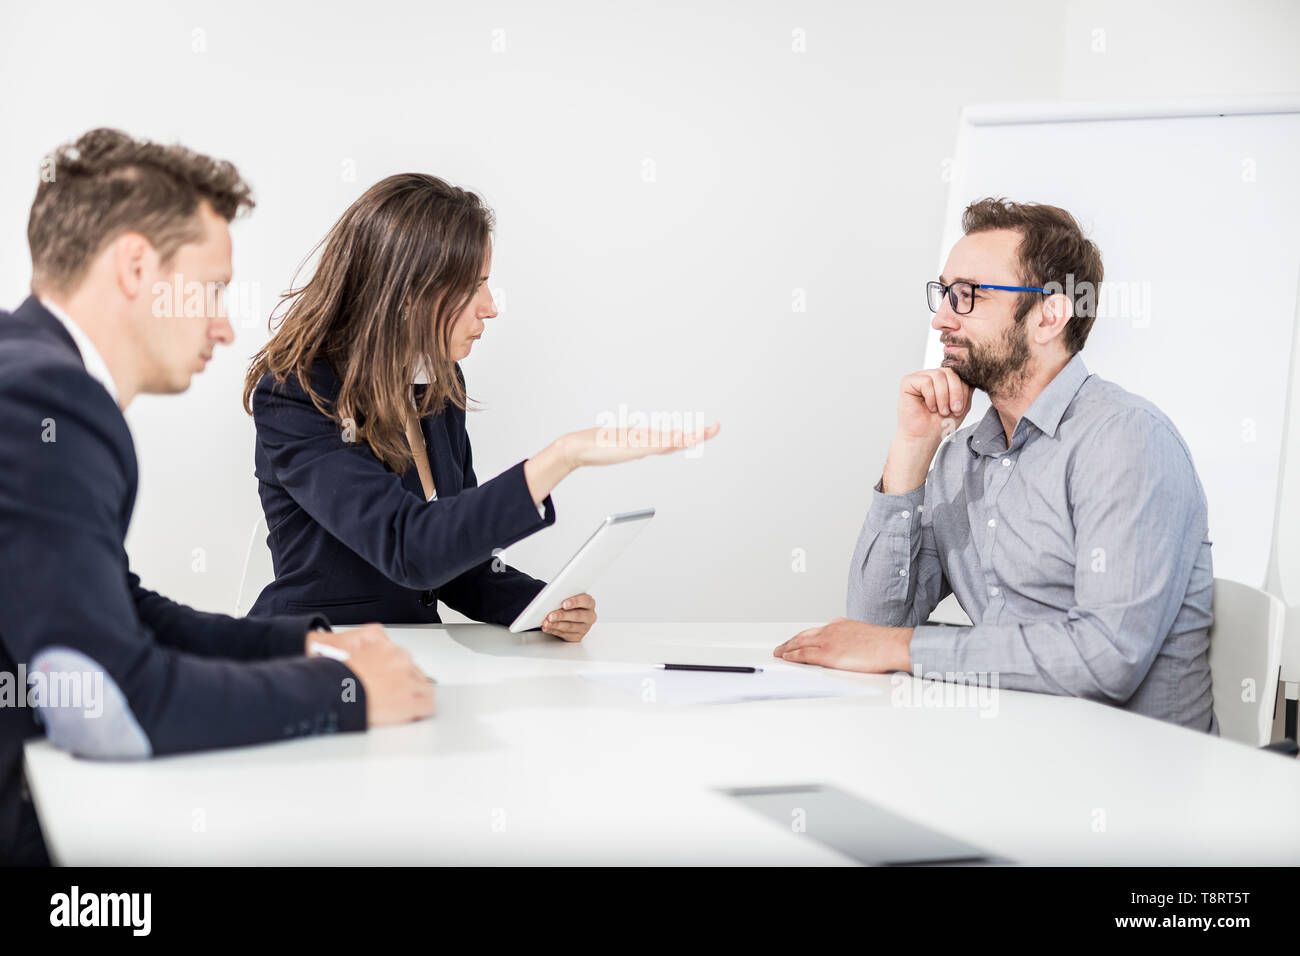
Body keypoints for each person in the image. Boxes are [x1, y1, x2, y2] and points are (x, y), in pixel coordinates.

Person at [0, 129, 434, 866]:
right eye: (212, 289)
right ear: (136, 267)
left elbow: (118, 608)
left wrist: (295, 644)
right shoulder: (48, 400)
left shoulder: (24, 375)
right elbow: (104, 707)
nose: (226, 325)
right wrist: (342, 694)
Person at [774, 198, 1216, 732]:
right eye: (944, 293)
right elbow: (874, 626)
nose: (941, 319)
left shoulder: (1125, 440)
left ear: (1049, 315)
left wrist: (906, 648)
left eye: (967, 296)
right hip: (1013, 748)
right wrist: (912, 447)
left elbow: (1105, 660)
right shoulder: (961, 457)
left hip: (1130, 768)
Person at [243, 173, 718, 637]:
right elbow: (409, 548)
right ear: (406, 293)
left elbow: (455, 562)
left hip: (414, 656)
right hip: (316, 653)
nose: (490, 305)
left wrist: (540, 605)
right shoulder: (297, 394)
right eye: (473, 286)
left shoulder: (438, 383)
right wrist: (563, 457)